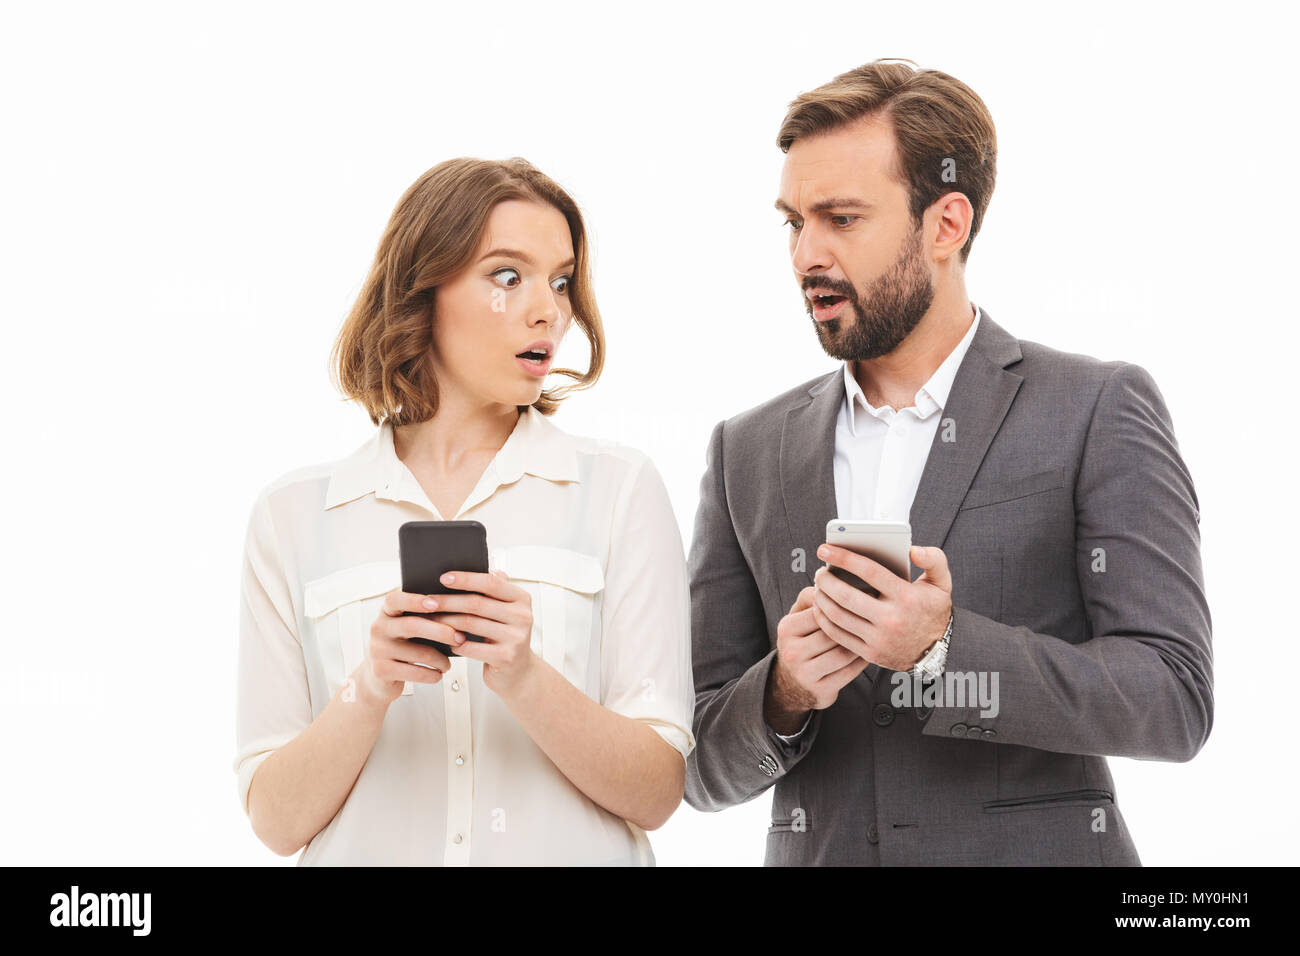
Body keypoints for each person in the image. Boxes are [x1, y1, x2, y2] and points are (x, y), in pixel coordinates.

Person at [683, 59, 1212, 865]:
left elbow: (1172, 697)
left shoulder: (1095, 407)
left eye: (842, 219)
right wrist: (784, 692)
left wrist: (944, 650)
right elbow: (697, 764)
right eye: (794, 222)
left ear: (946, 224)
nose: (805, 256)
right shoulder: (745, 450)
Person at [233, 157, 694, 865]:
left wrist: (525, 677)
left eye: (561, 280)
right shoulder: (293, 516)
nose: (549, 308)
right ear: (425, 289)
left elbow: (658, 790)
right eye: (508, 276)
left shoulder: (618, 490)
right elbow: (276, 820)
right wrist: (370, 686)